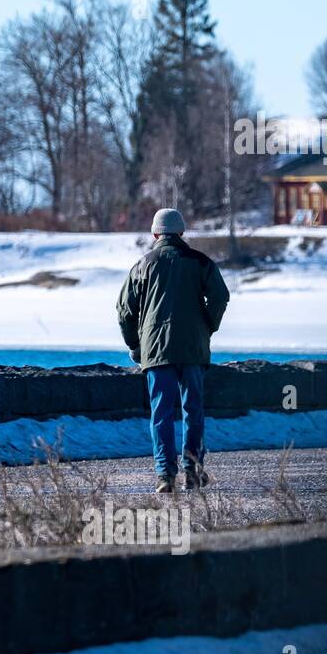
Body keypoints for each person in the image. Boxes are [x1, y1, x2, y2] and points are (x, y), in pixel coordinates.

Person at [116, 208, 230, 493]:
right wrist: (207, 326)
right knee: (193, 409)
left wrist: (135, 345)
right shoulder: (200, 262)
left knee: (161, 412)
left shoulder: (143, 264)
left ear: (155, 234)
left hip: (155, 349)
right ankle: (193, 470)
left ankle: (165, 475)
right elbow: (220, 296)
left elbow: (125, 311)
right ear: (181, 233)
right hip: (193, 347)